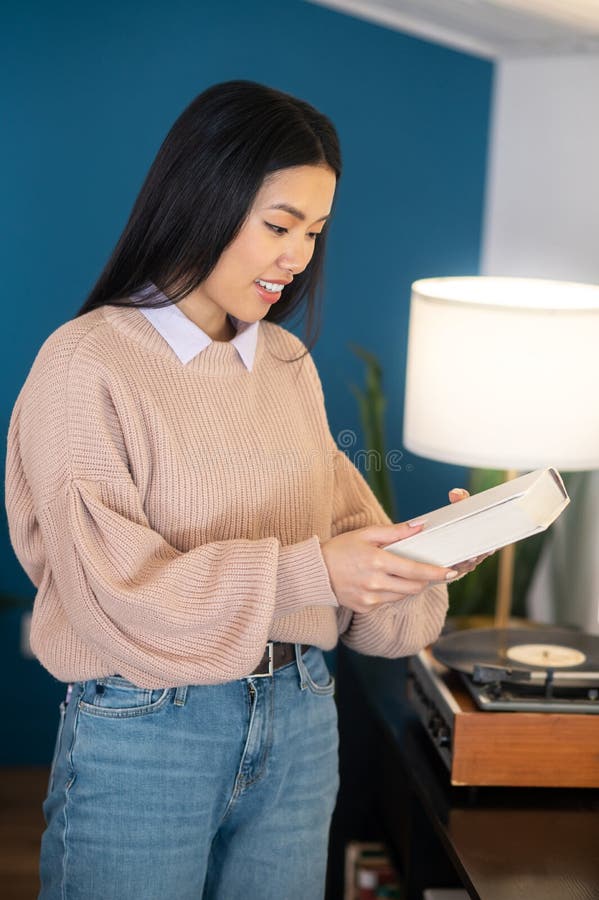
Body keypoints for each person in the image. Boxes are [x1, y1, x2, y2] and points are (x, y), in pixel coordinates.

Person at [5, 80, 484, 900]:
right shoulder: (88, 365)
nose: (296, 257)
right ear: (203, 198)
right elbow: (114, 597)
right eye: (278, 226)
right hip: (148, 730)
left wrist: (415, 562)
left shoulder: (287, 366)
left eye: (315, 232)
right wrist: (316, 572)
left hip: (300, 723)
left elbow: (362, 601)